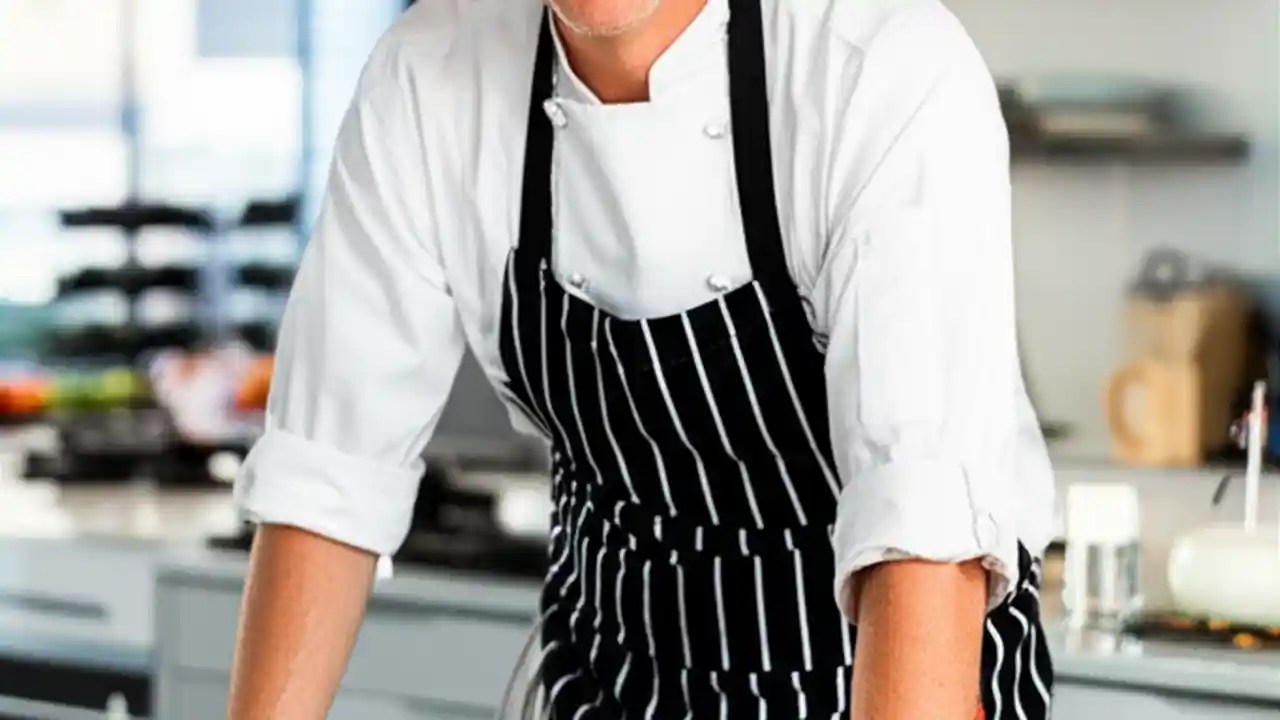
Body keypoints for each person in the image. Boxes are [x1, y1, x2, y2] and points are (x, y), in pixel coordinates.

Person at [226, 0, 1057, 717]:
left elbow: (922, 539)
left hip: (880, 681)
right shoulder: (427, 77)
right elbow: (327, 482)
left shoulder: (880, 67)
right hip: (609, 683)